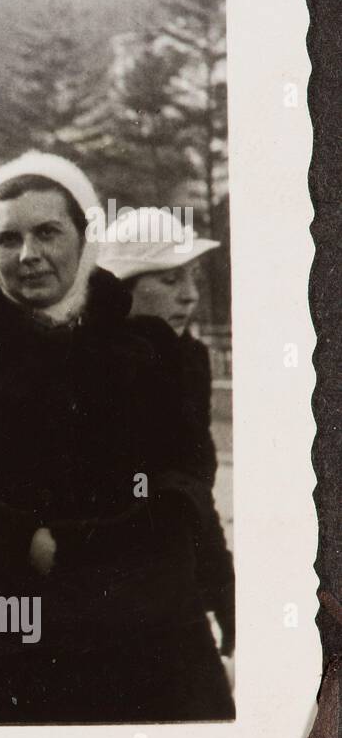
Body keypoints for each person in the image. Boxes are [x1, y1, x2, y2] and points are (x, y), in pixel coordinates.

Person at [0, 152, 233, 724]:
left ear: (85, 237)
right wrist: (22, 541)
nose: (28, 255)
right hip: (9, 654)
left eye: (47, 233)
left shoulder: (148, 351)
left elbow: (187, 486)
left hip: (145, 638)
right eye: (7, 238)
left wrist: (92, 544)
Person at [96, 209, 234, 658]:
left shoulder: (188, 358)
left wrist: (222, 594)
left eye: (192, 278)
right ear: (122, 290)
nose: (191, 296)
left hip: (175, 582)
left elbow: (194, 486)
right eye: (171, 281)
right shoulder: (86, 364)